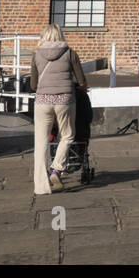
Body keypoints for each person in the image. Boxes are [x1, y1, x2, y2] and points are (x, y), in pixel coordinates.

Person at [30, 23, 88, 194]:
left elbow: (33, 84)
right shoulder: (70, 53)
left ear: (44, 36)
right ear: (60, 35)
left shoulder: (36, 55)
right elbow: (82, 81)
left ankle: (41, 187)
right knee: (68, 135)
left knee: (41, 142)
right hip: (64, 100)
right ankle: (56, 169)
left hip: (42, 102)